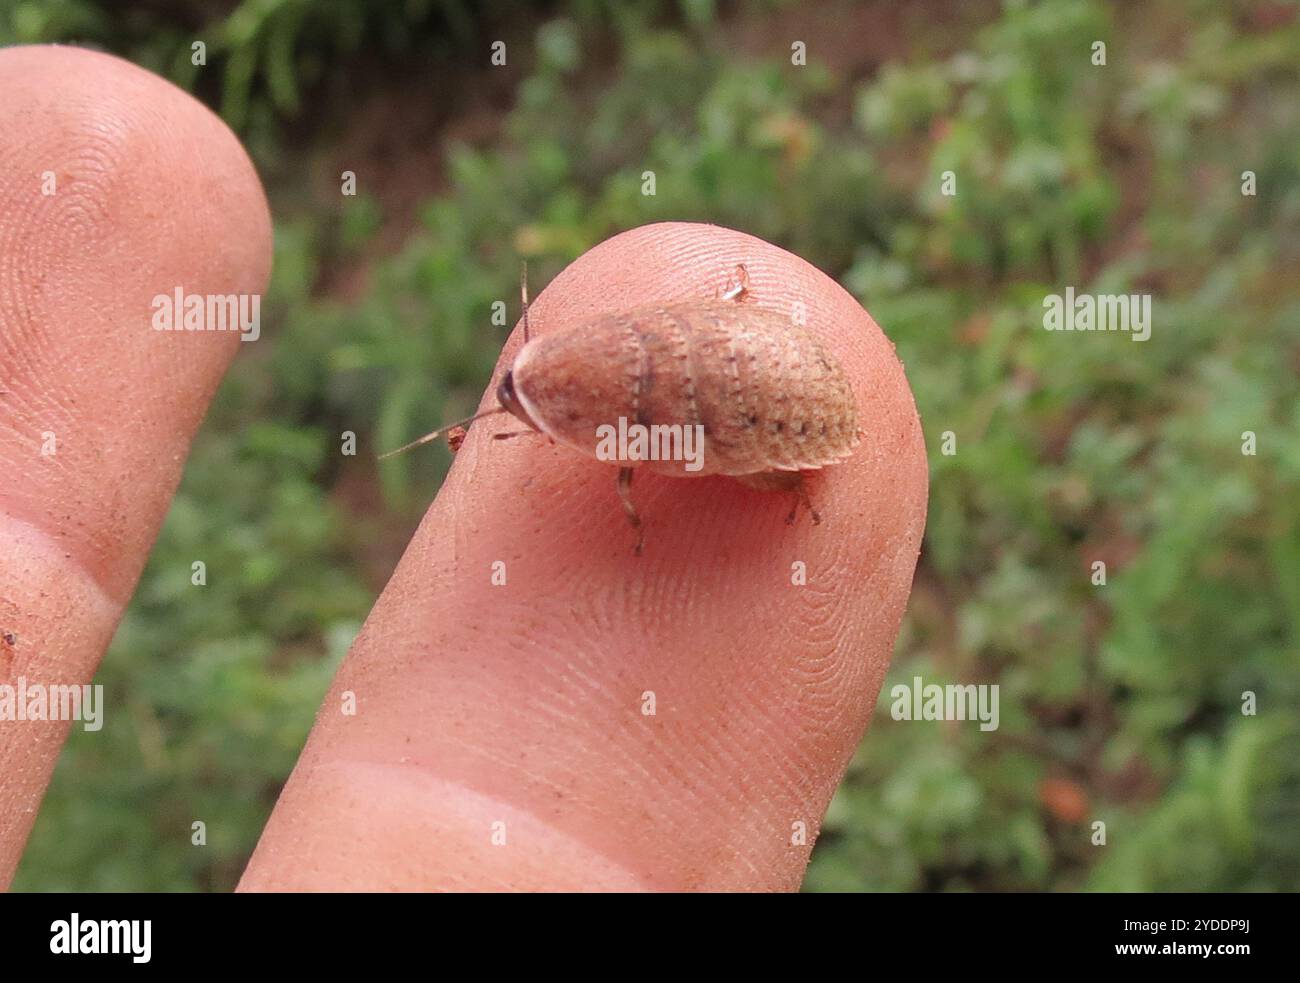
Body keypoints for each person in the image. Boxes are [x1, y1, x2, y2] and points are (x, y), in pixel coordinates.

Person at [0, 45, 927, 891]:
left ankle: (792, 474)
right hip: (736, 359)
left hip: (776, 401)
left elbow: (633, 458)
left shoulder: (614, 446)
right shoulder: (605, 384)